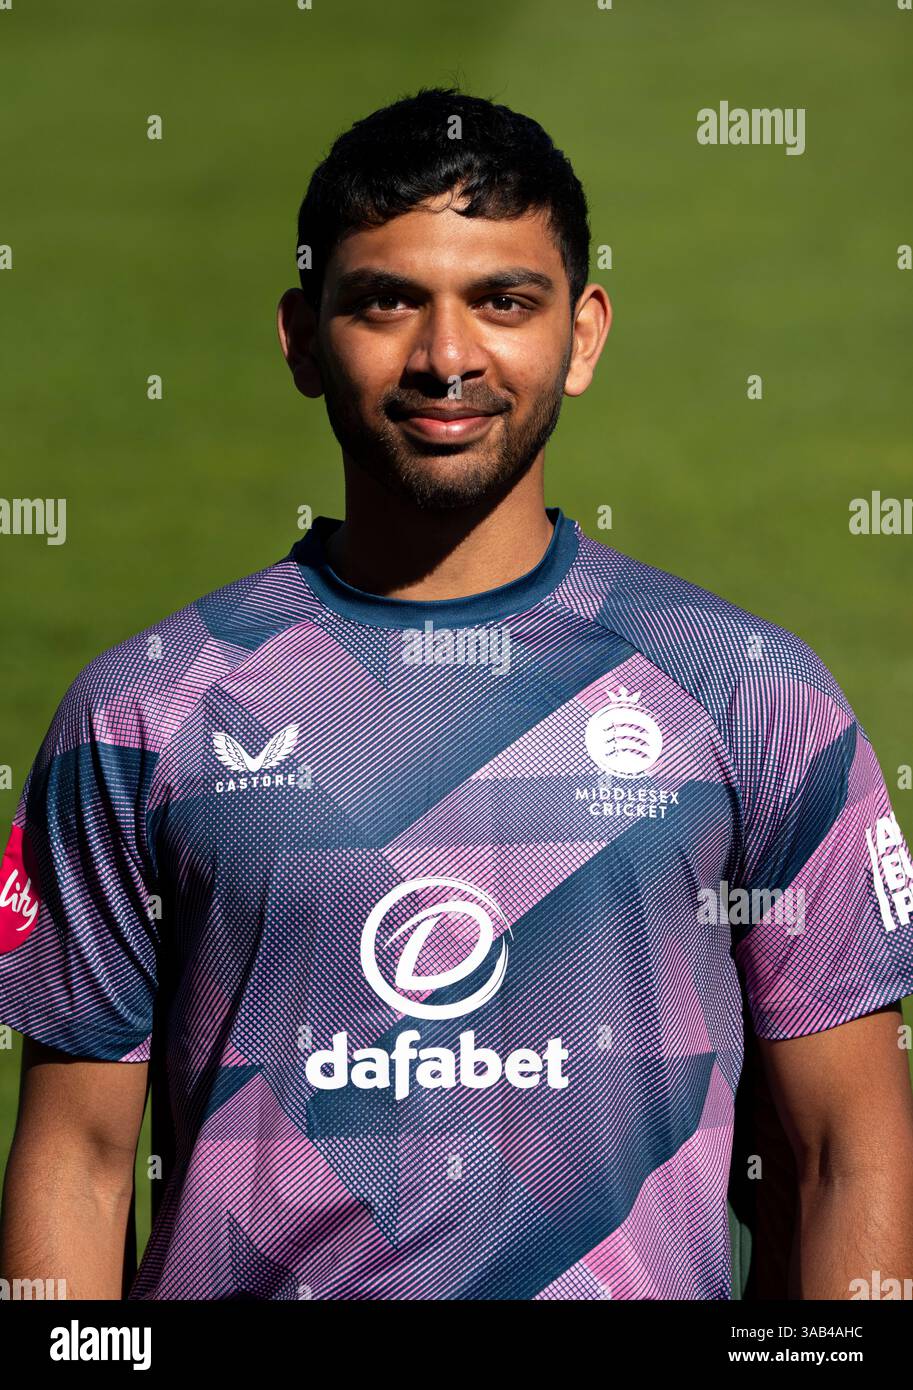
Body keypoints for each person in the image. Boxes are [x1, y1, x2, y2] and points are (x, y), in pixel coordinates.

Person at [1, 87, 912, 1302]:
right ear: (301, 337)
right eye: (386, 301)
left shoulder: (750, 697)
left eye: (503, 301)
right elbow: (80, 1155)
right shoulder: (141, 718)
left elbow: (845, 1151)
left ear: (582, 335)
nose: (446, 357)